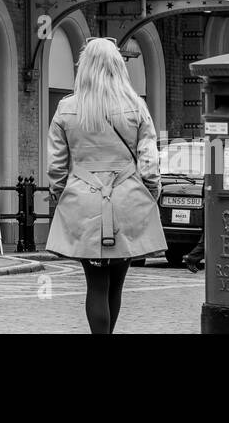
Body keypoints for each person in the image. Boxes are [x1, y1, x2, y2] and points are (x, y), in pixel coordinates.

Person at [46, 37, 167, 334]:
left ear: (84, 66)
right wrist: (149, 193)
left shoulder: (67, 107)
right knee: (117, 283)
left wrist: (62, 196)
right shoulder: (135, 106)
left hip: (83, 200)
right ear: (118, 66)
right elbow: (149, 162)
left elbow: (56, 166)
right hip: (127, 199)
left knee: (96, 284)